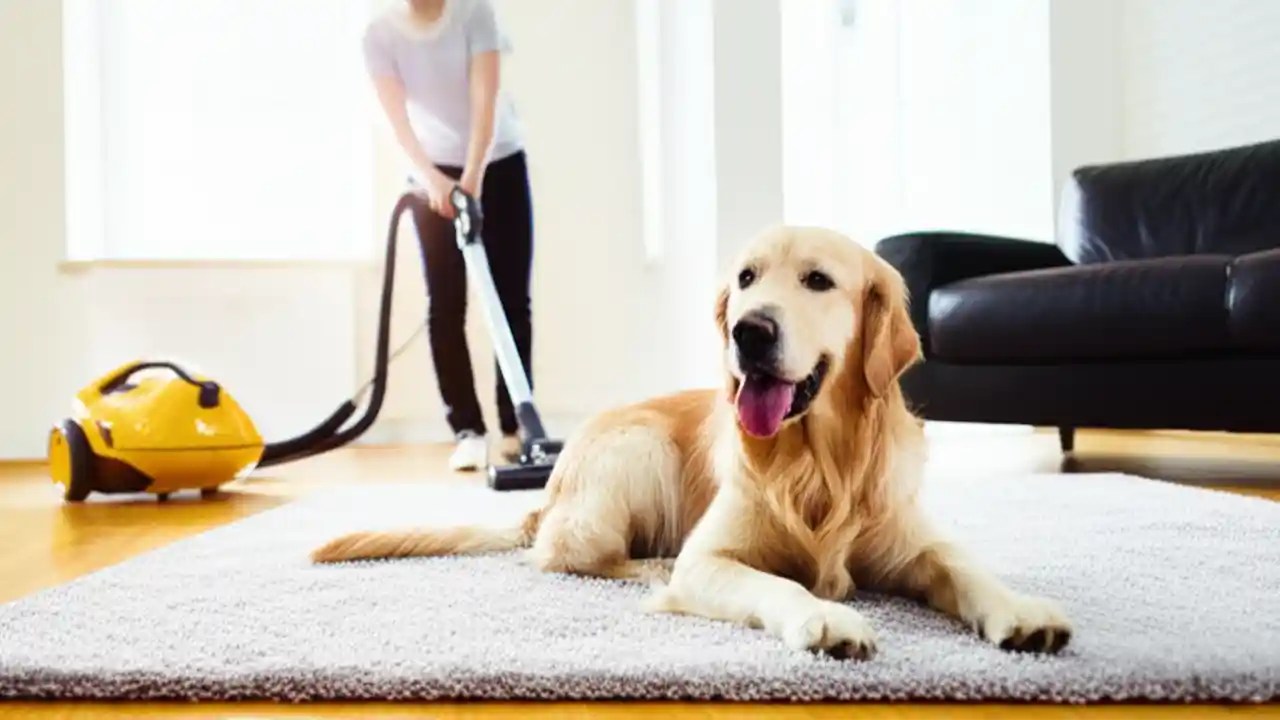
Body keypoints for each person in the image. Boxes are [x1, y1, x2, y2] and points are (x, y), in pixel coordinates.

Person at [362, 0, 534, 471]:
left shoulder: (473, 13)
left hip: (497, 160)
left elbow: (485, 97)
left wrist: (473, 175)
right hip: (430, 172)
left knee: (510, 301)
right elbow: (397, 122)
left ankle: (518, 427)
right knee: (445, 304)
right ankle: (468, 430)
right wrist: (434, 180)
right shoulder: (380, 33)